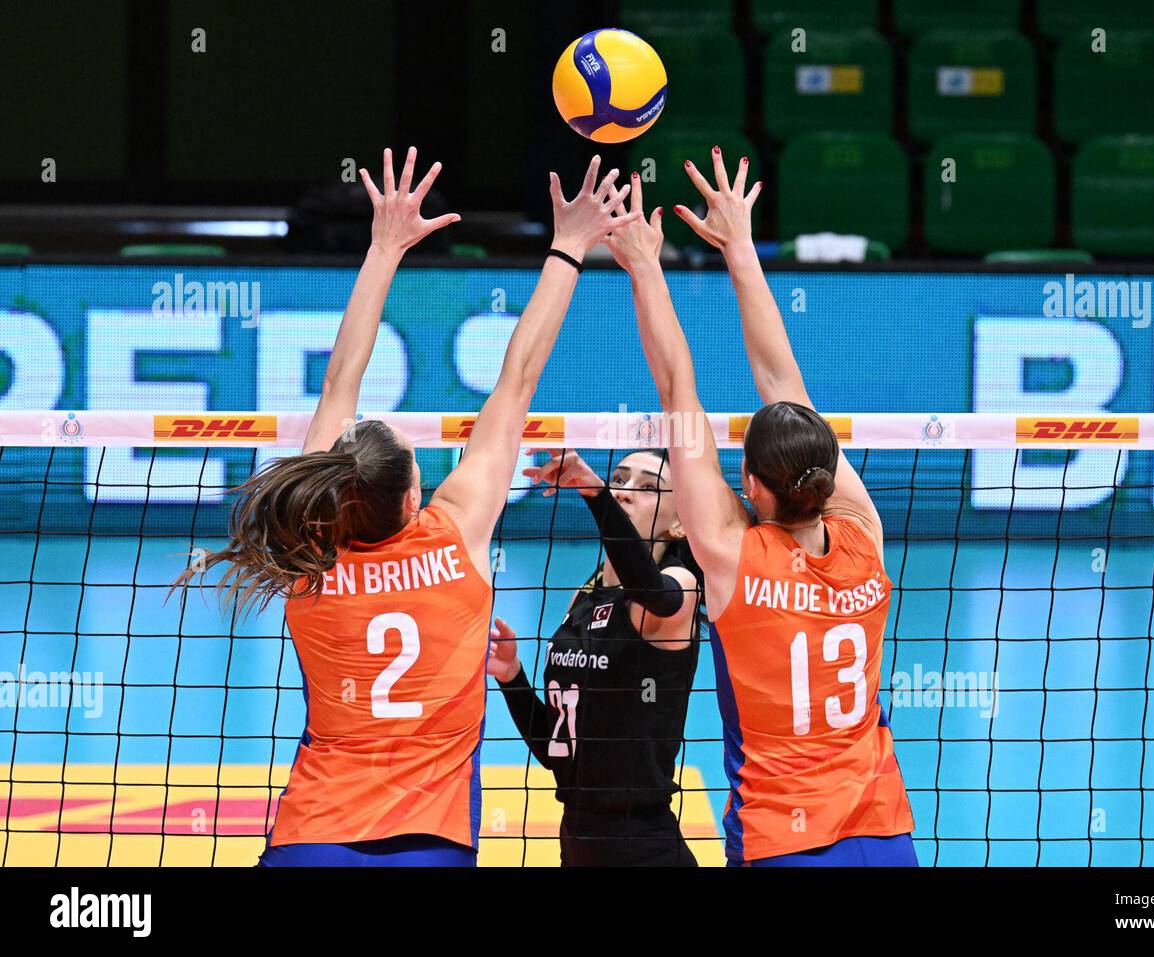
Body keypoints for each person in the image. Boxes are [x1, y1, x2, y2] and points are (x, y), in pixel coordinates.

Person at [174, 148, 637, 866]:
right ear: (415, 495)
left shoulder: (309, 555)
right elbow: (516, 380)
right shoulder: (457, 537)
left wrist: (382, 246)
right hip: (430, 840)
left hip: (314, 836)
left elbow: (338, 383)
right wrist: (568, 247)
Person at [604, 154, 917, 866]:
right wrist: (741, 246)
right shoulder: (864, 537)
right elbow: (786, 383)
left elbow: (678, 386)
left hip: (784, 839)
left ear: (748, 483)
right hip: (884, 834)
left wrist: (646, 267)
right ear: (826, 470)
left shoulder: (729, 555)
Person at [488, 447, 703, 866]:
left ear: (680, 523)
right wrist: (512, 677)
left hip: (642, 846)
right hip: (577, 841)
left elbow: (653, 594)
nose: (624, 492)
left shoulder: (680, 586)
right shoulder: (582, 596)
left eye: (647, 487)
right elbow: (557, 749)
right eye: (619, 479)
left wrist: (595, 493)